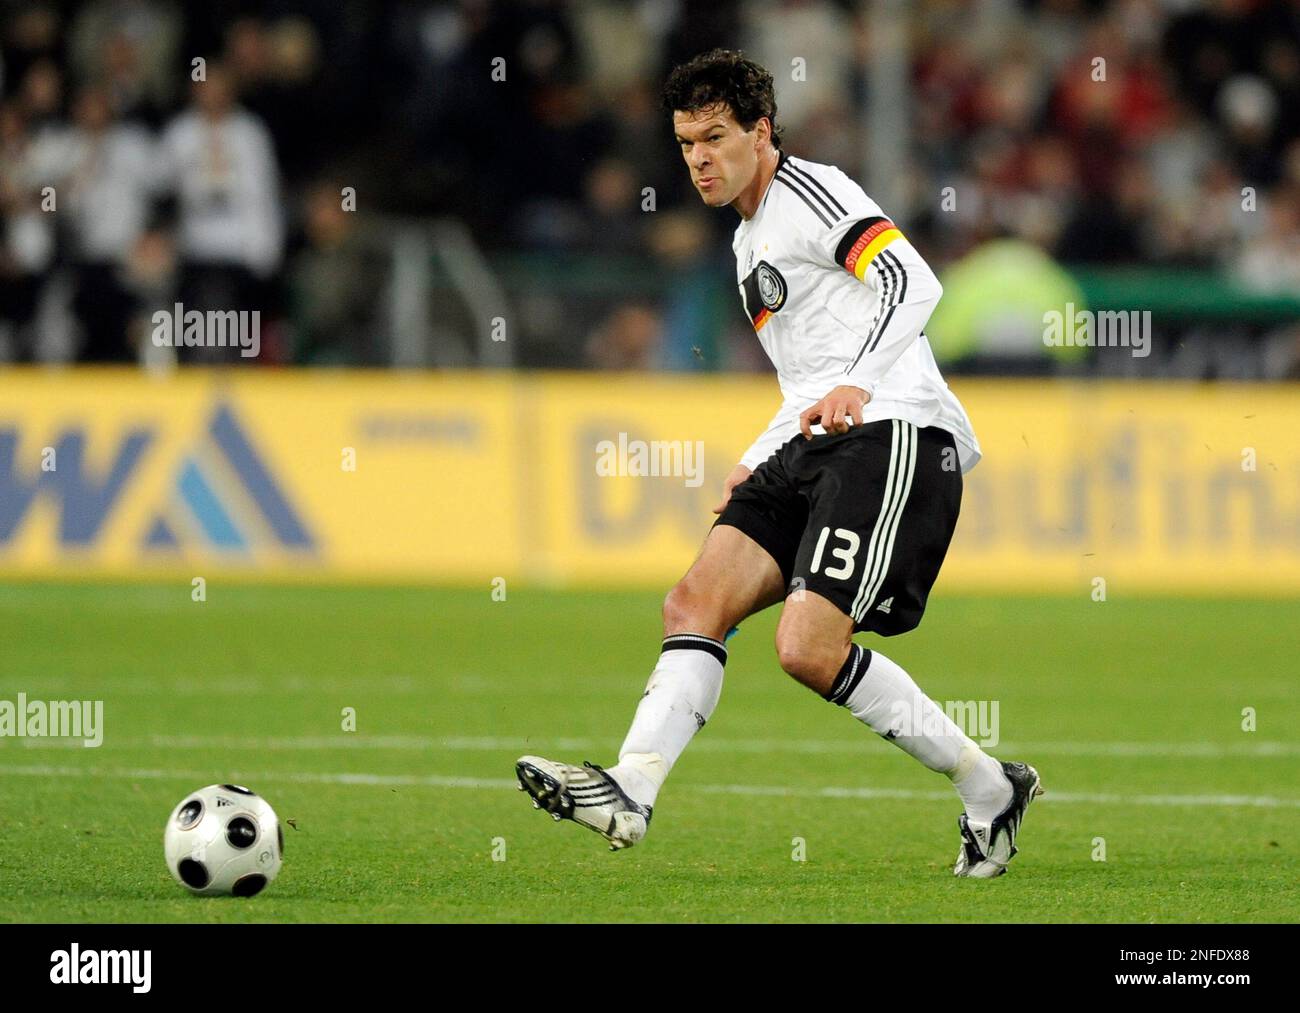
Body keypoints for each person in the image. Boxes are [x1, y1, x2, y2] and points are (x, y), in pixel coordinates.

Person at [516, 50, 1043, 878]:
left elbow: (915, 282)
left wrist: (858, 385)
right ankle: (631, 787)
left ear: (762, 133)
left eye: (716, 137)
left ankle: (989, 785)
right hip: (816, 438)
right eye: (686, 141)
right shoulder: (746, 242)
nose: (698, 158)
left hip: (892, 430)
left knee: (807, 647)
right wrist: (757, 457)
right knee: (694, 599)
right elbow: (803, 381)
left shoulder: (813, 194)